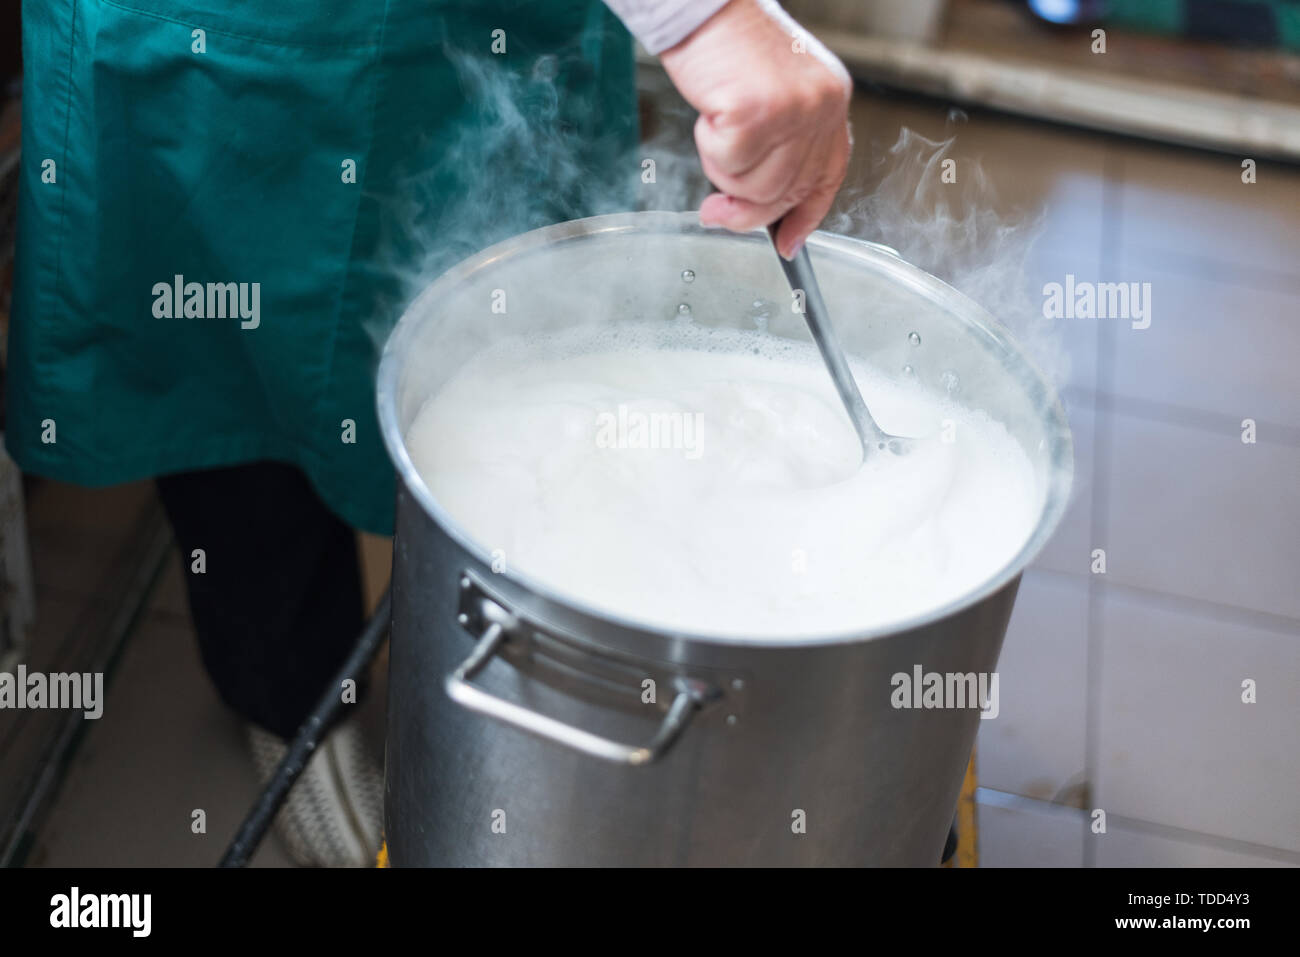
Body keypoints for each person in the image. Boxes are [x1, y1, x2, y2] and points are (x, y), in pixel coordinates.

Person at [10, 0, 851, 865]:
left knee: (540, 367)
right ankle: (292, 702)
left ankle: (550, 696)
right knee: (236, 380)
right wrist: (709, 16)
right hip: (228, 41)